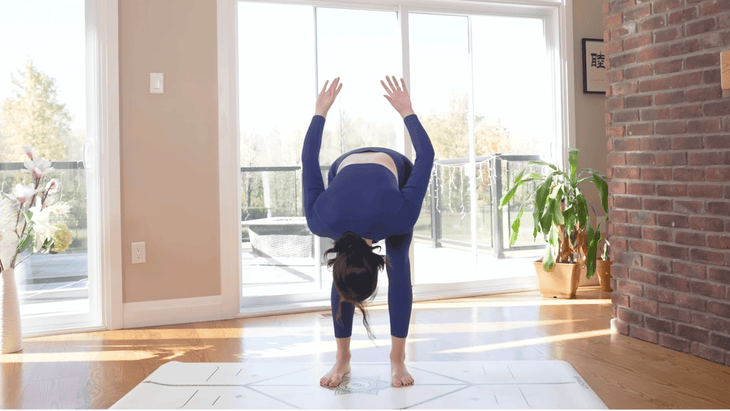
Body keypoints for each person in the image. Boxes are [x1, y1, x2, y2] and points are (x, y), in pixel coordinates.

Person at [301, 76, 435, 388]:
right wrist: (319, 111)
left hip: (394, 168)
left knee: (398, 261)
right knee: (347, 275)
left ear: (377, 264)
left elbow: (423, 159)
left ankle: (397, 358)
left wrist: (407, 111)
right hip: (343, 168)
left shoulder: (397, 216)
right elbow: (308, 159)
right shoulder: (321, 220)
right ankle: (342, 358)